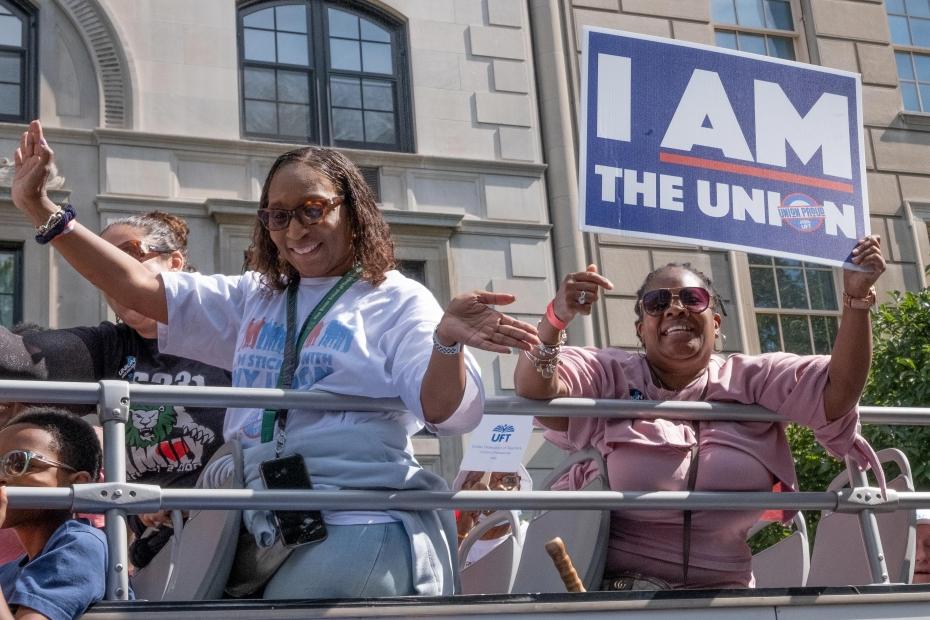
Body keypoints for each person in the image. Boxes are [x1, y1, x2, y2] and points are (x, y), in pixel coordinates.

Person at [9, 120, 539, 599]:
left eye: (312, 209)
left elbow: (444, 413)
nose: (294, 230)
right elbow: (139, 285)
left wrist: (446, 342)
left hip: (354, 517)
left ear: (350, 209)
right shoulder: (257, 296)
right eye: (278, 216)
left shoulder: (396, 298)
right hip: (255, 517)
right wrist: (43, 210)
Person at [515, 241, 886, 590]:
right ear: (640, 331)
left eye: (693, 299)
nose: (675, 309)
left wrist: (856, 299)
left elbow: (837, 392)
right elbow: (536, 389)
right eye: (657, 302)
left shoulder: (751, 378)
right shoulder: (608, 372)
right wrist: (556, 319)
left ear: (717, 324)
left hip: (727, 597)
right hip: (618, 593)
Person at [0, 211, 231, 568]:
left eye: (130, 256)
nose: (116, 275)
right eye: (101, 268)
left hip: (235, 528)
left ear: (176, 262)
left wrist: (192, 496)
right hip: (162, 552)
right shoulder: (112, 345)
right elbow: (20, 359)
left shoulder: (232, 328)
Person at [0, 408, 108, 619]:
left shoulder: (80, 546)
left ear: (78, 484)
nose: (1, 477)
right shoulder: (7, 572)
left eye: (18, 463)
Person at [454, 465, 532, 569]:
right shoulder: (446, 539)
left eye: (509, 480)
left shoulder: (531, 536)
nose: (499, 488)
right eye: (483, 480)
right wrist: (460, 533)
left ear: (520, 488)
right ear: (464, 489)